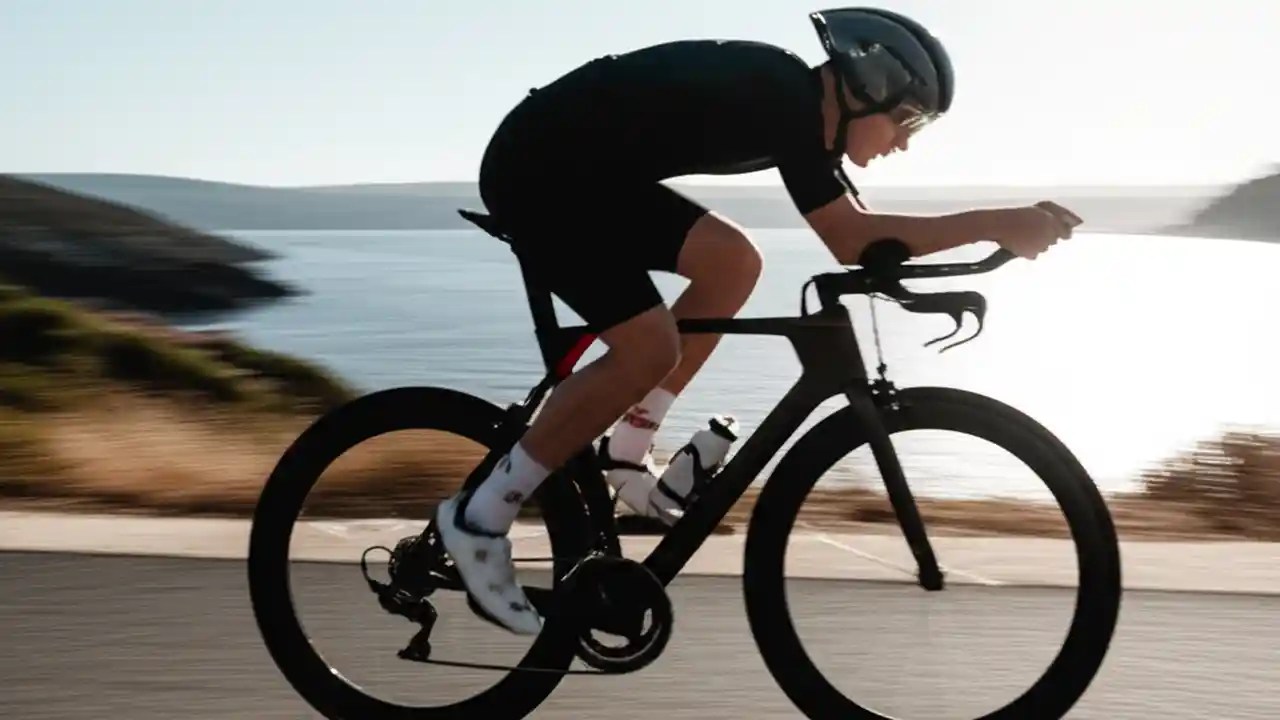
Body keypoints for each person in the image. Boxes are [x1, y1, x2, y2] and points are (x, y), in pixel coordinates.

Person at [434, 7, 1081, 635]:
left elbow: (867, 240)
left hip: (593, 173)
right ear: (867, 84)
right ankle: (481, 518)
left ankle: (626, 453)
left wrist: (985, 237)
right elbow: (853, 240)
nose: (906, 139)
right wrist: (998, 223)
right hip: (541, 172)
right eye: (907, 118)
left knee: (733, 261)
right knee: (646, 349)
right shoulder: (784, 101)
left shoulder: (802, 114)